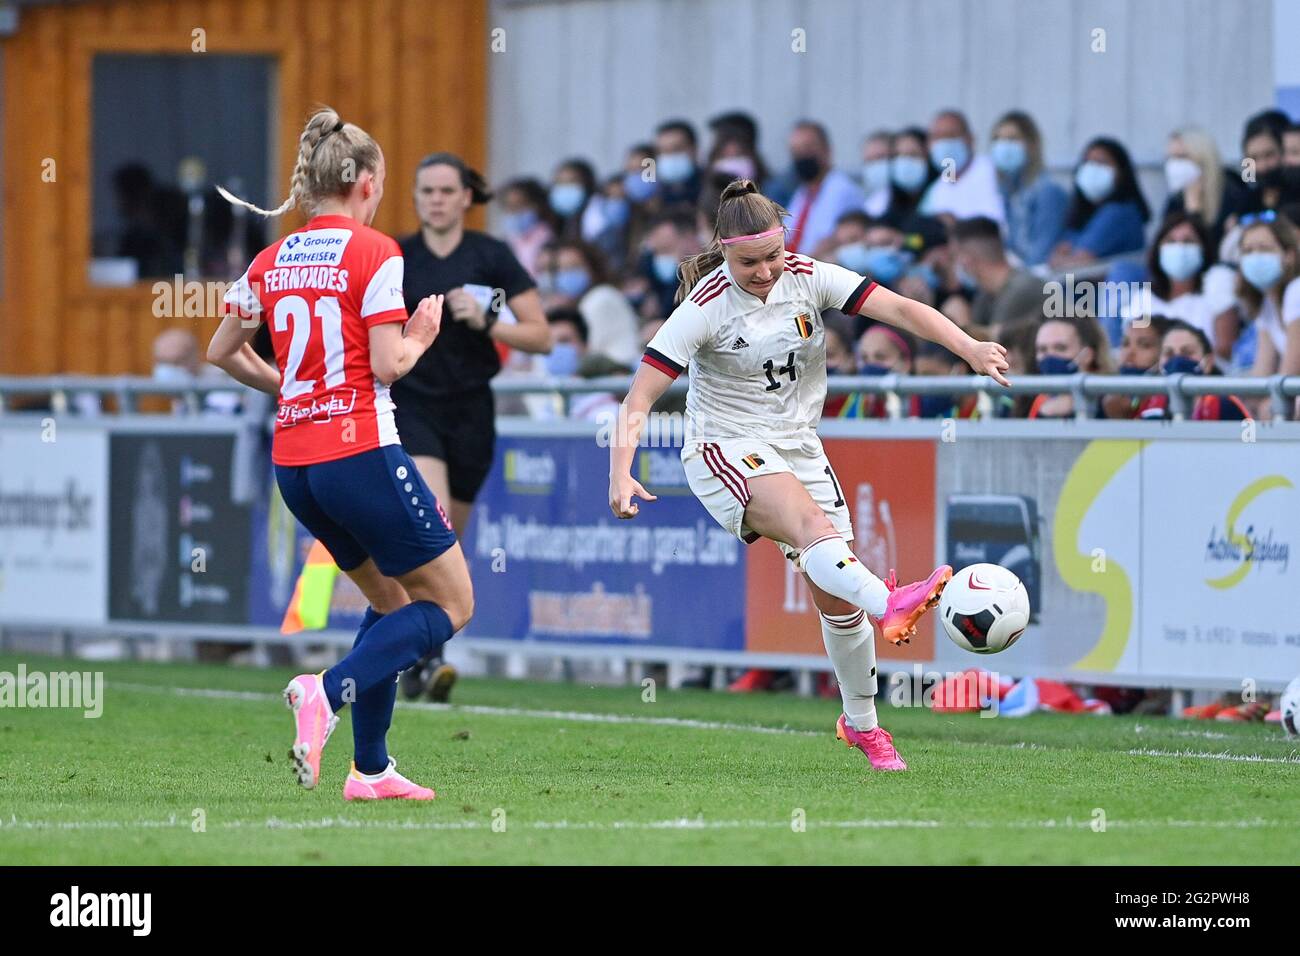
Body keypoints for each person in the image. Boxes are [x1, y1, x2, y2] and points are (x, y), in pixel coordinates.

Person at [608, 180, 1009, 771]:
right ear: (722, 250)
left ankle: (863, 726)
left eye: (772, 256)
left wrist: (967, 346)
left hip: (799, 446)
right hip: (725, 447)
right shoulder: (703, 307)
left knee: (837, 603)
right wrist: (621, 471)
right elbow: (639, 397)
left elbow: (899, 308)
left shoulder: (808, 274)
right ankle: (892, 599)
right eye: (749, 262)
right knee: (813, 530)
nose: (766, 271)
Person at [207, 107, 474, 800]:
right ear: (363, 182)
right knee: (451, 605)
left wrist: (288, 386)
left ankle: (372, 769)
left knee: (388, 600)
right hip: (359, 450)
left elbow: (220, 350)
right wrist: (420, 335)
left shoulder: (273, 257)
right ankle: (325, 692)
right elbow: (387, 366)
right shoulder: (377, 251)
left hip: (296, 464)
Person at [390, 152, 552, 701]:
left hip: (472, 411)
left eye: (444, 190)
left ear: (465, 198)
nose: (434, 199)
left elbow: (542, 336)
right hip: (412, 405)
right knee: (432, 522)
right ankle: (430, 659)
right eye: (425, 190)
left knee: (447, 541)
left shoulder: (492, 256)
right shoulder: (395, 257)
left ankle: (412, 654)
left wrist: (488, 322)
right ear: (415, 198)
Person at [1050, 137, 1149, 270]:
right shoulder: (1084, 213)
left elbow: (1079, 262)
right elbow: (1055, 257)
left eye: (1101, 162)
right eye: (1087, 162)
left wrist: (1066, 260)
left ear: (1121, 172)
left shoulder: (1119, 212)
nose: (1093, 169)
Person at [988, 110, 1067, 266]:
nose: (1004, 146)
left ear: (1032, 145)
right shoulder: (1009, 192)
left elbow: (1042, 251)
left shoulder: (1048, 192)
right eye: (998, 139)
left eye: (1012, 139)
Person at [1136, 319, 1251, 421]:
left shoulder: (1226, 405)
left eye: (1187, 353)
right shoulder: (1149, 407)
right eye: (1169, 353)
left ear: (1208, 362)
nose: (1177, 360)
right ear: (1159, 362)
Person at [950, 216, 1046, 332]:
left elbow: (995, 345)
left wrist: (961, 324)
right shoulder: (986, 294)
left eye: (954, 256)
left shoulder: (1022, 289)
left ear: (967, 260)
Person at [785, 120, 867, 255]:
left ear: (827, 150)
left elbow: (839, 241)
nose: (801, 157)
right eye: (796, 152)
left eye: (807, 149)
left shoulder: (844, 191)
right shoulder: (802, 193)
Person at [919, 109, 1005, 226]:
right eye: (937, 137)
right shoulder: (935, 191)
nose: (944, 144)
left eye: (951, 136)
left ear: (970, 139)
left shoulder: (995, 171)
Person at [1028, 314, 1114, 418]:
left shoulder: (1110, 403)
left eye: (1060, 348)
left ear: (1087, 355)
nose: (1050, 356)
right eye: (1042, 349)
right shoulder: (1036, 399)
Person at [497, 177, 555, 278]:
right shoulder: (510, 239)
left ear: (537, 206)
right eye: (509, 207)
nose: (514, 211)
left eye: (520, 205)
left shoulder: (547, 237)